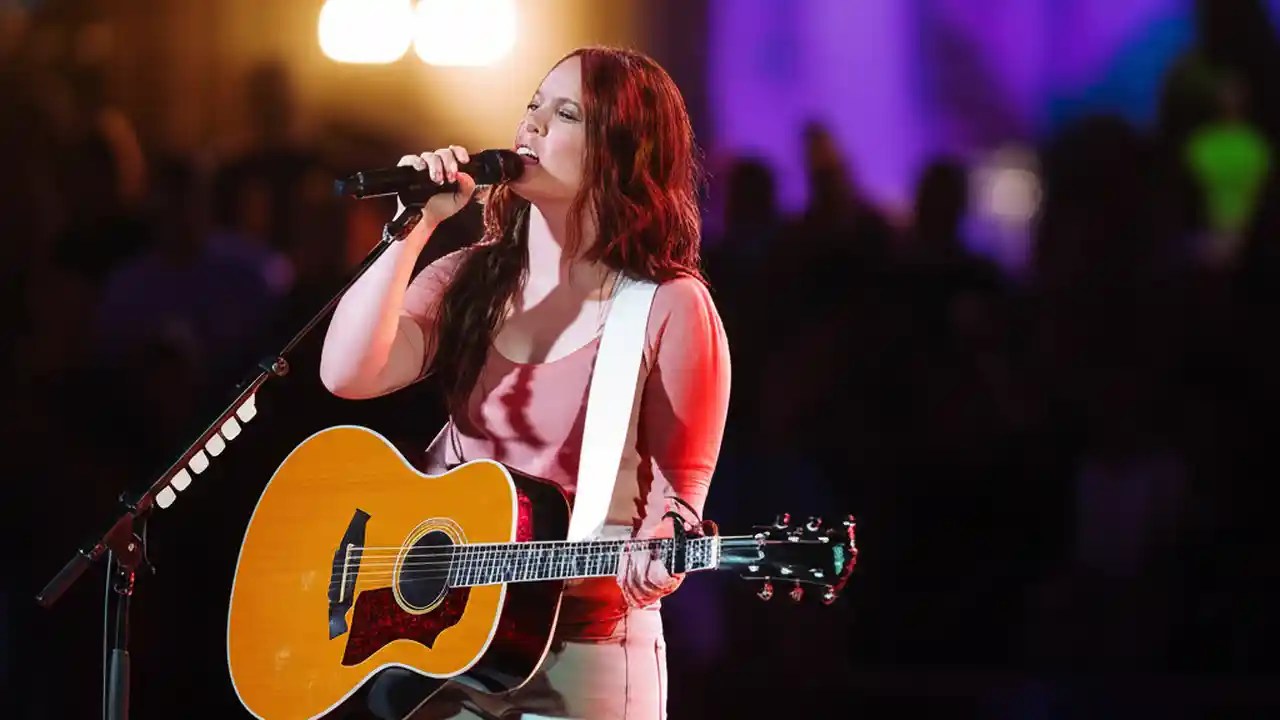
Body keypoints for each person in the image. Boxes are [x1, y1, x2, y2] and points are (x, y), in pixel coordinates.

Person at [319, 45, 732, 720]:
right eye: (532, 105)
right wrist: (417, 226)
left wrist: (661, 556)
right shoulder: (470, 277)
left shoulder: (668, 307)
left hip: (580, 662)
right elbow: (348, 372)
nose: (532, 126)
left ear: (621, 154)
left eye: (565, 113)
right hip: (446, 641)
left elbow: (672, 509)